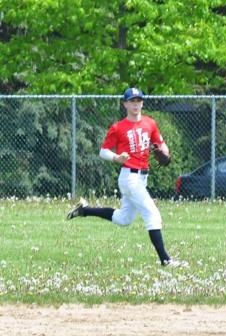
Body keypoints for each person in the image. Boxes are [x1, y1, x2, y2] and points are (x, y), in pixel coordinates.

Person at [66, 87, 185, 267]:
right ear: (125, 104)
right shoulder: (118, 127)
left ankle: (85, 210)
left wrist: (164, 152)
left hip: (142, 178)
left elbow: (161, 144)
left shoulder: (150, 123)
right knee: (152, 214)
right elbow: (103, 151)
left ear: (142, 103)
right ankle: (166, 260)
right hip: (129, 177)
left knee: (124, 219)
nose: (135, 104)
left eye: (138, 101)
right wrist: (116, 157)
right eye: (132, 101)